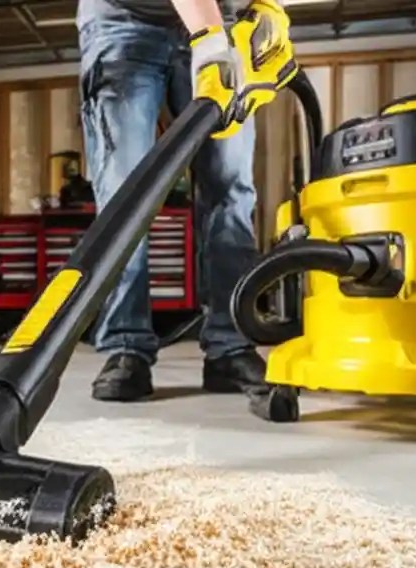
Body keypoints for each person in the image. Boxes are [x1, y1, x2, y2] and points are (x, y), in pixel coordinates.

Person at [76, 0, 292, 402]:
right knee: (126, 192)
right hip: (123, 20)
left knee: (231, 187)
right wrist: (209, 39)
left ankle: (231, 346)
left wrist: (268, 7)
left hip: (224, 20)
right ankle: (126, 346)